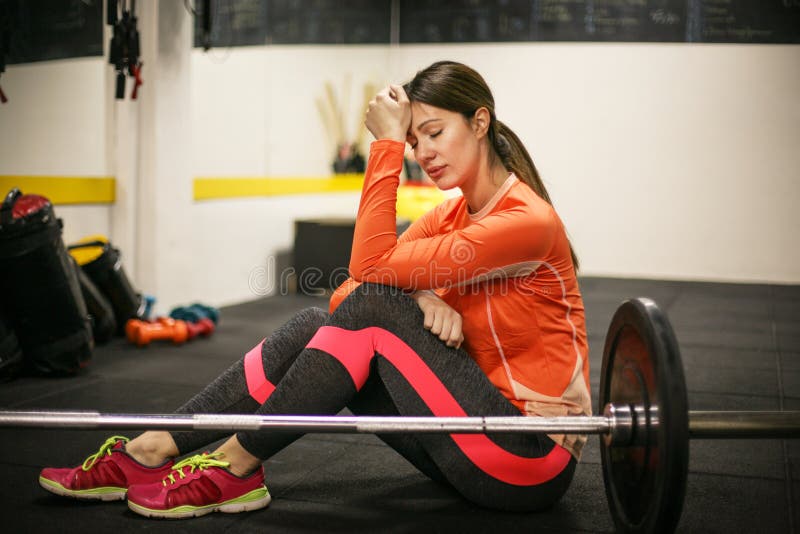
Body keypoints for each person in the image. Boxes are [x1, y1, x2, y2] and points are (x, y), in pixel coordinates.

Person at [38, 61, 590, 519]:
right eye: (414, 140)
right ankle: (154, 447)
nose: (424, 153)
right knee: (316, 324)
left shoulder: (527, 221)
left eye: (434, 133)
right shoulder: (449, 218)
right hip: (462, 436)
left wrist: (385, 148)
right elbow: (346, 295)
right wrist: (422, 297)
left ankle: (235, 464)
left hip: (528, 460)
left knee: (374, 304)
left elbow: (369, 272)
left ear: (480, 122)